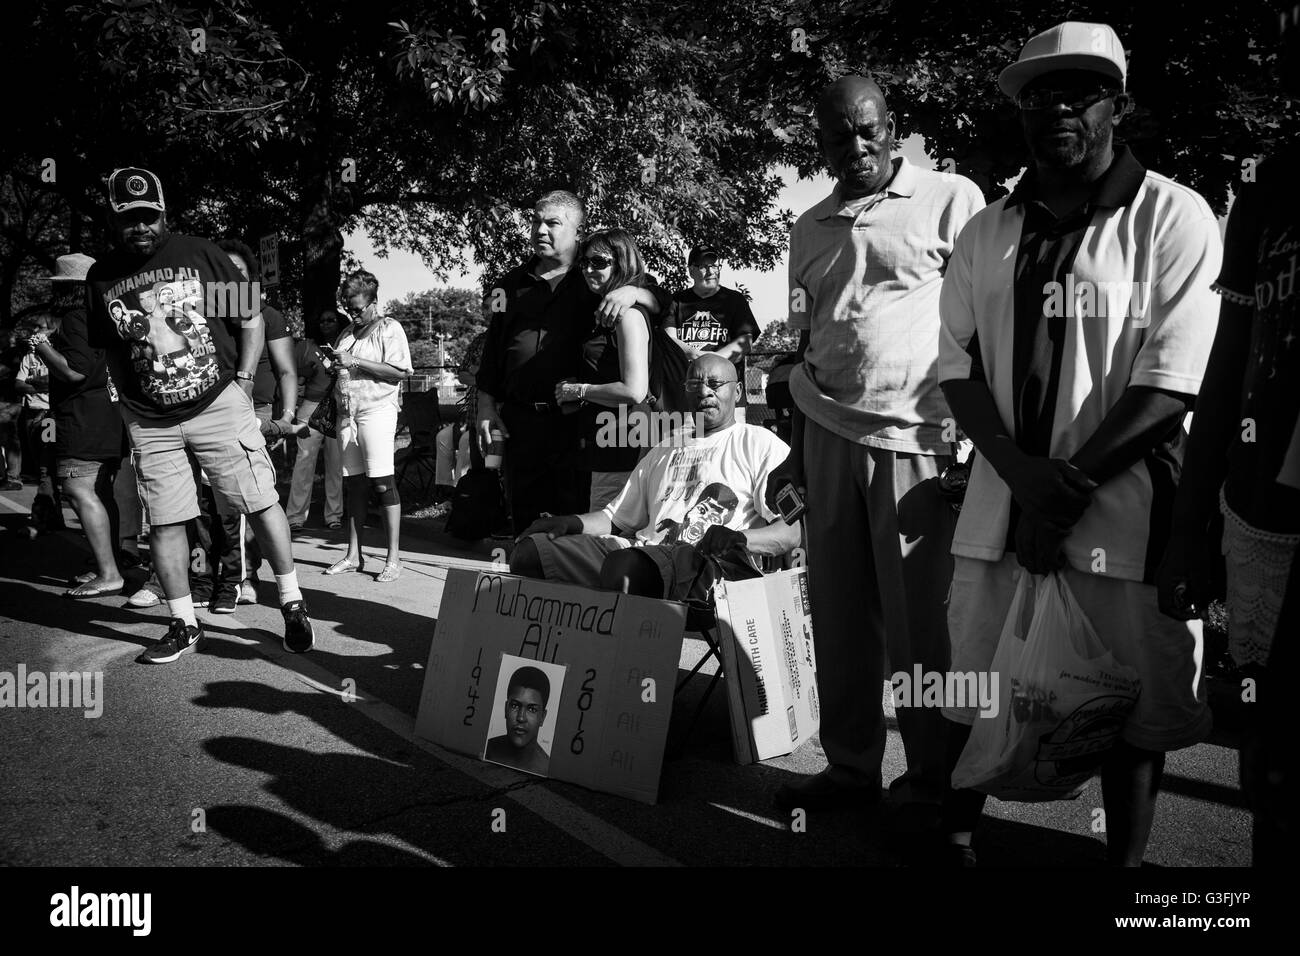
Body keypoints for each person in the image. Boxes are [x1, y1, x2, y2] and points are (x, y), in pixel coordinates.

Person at [936, 23, 1222, 866]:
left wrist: (1061, 490)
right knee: (976, 684)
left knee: (1135, 708)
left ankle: (1126, 871)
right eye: (1037, 94)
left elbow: (1171, 384)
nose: (1056, 107)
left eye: (1080, 90)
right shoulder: (988, 229)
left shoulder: (1173, 214)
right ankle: (955, 836)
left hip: (1127, 515)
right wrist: (1023, 479)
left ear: (1119, 105)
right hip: (1001, 509)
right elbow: (957, 366)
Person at [766, 75, 985, 827]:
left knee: (928, 630)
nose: (856, 147)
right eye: (837, 136)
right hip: (825, 434)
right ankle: (851, 767)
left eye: (869, 130)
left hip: (919, 439)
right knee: (838, 616)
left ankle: (936, 786)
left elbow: (983, 321)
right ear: (818, 143)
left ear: (894, 127)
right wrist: (797, 451)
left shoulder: (952, 197)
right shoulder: (808, 227)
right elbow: (804, 341)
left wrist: (977, 439)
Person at [1157, 8, 1300, 865]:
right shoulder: (1274, 188)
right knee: (1272, 764)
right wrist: (1188, 532)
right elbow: (1226, 370)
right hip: (1267, 519)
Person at [86, 166, 314, 662]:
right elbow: (111, 350)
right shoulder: (101, 276)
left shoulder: (199, 255)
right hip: (150, 420)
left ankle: (292, 600)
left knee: (258, 500)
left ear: (163, 211)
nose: (140, 227)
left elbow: (249, 315)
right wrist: (129, 411)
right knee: (166, 520)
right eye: (129, 219)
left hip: (217, 403)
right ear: (113, 219)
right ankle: (184, 624)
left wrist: (246, 381)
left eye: (149, 216)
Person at [511, 353, 799, 601]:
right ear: (684, 392)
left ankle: (622, 662)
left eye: (715, 384)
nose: (704, 392)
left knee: (624, 568)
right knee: (531, 553)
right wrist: (568, 522)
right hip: (640, 553)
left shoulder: (758, 443)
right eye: (694, 385)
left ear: (736, 393)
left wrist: (739, 539)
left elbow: (791, 532)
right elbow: (615, 519)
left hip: (708, 569)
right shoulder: (664, 448)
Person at [474, 191, 668, 533]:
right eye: (535, 221)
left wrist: (635, 293)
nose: (540, 231)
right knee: (525, 523)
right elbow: (492, 352)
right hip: (522, 424)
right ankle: (528, 583)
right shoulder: (508, 285)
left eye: (552, 223)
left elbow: (664, 303)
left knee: (575, 524)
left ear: (578, 231)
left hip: (578, 426)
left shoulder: (597, 275)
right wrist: (486, 408)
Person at [18, 255, 129, 596]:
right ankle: (105, 564)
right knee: (100, 492)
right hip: (107, 417)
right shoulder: (102, 317)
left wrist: (41, 345)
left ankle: (109, 572)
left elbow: (73, 371)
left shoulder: (75, 319)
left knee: (80, 491)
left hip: (83, 419)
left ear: (65, 289)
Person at [321, 270, 413, 582]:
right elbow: (344, 364)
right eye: (349, 307)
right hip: (347, 414)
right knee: (354, 485)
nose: (353, 313)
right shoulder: (347, 331)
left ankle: (393, 559)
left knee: (382, 482)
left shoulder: (389, 328)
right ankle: (353, 555)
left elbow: (400, 372)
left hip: (377, 412)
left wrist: (355, 362)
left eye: (358, 308)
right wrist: (335, 363)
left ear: (374, 301)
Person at [557, 229, 656, 510]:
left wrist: (578, 391)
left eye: (599, 262)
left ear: (622, 262)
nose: (588, 269)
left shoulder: (628, 316)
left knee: (606, 535)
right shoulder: (604, 309)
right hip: (605, 439)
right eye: (584, 262)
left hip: (622, 442)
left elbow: (635, 390)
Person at [665, 247, 761, 423]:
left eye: (715, 266)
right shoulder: (677, 300)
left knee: (729, 447)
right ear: (691, 270)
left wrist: (711, 362)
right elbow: (669, 340)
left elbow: (745, 342)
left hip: (725, 396)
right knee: (687, 446)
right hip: (687, 398)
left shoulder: (734, 300)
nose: (710, 271)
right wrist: (695, 355)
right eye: (703, 266)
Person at [285, 308, 344, 531]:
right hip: (310, 409)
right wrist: (303, 373)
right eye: (322, 320)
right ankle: (295, 517)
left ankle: (334, 515)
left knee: (335, 464)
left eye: (331, 320)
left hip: (336, 410)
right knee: (304, 463)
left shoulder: (346, 347)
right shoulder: (307, 347)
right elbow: (291, 374)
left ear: (339, 323)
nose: (325, 324)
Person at [14, 314, 64, 532]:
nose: (35, 331)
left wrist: (38, 384)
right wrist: (39, 385)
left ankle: (42, 514)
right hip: (30, 416)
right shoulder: (30, 356)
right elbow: (18, 384)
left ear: (52, 329)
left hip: (48, 418)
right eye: (34, 327)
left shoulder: (58, 355)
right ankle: (54, 515)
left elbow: (56, 383)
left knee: (46, 465)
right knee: (40, 467)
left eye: (40, 327)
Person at [483, 665, 553, 776]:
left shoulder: (547, 769)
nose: (521, 718)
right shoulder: (485, 749)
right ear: (506, 709)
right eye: (515, 706)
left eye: (532, 709)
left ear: (542, 717)